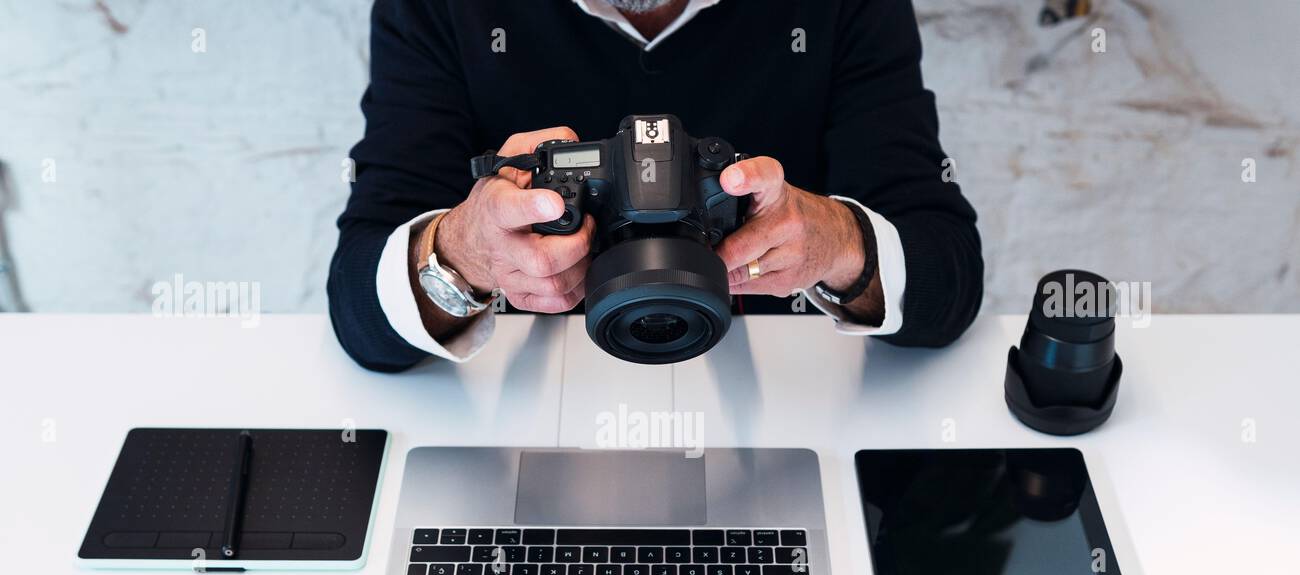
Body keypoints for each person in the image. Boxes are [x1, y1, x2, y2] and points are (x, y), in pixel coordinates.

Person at [328, 0, 983, 372]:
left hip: (795, 385)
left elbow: (946, 282)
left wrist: (836, 241)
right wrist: (461, 254)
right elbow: (361, 309)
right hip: (528, 382)